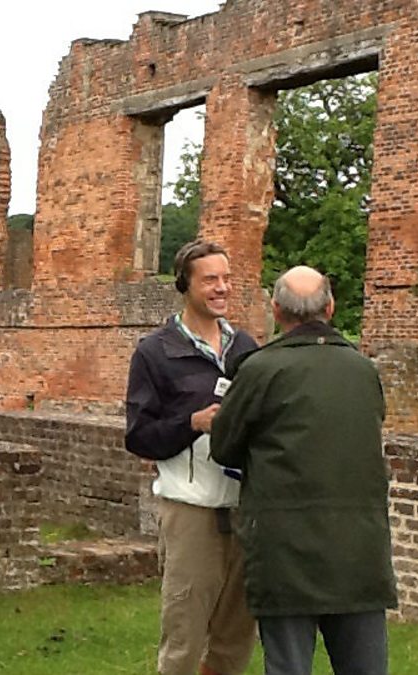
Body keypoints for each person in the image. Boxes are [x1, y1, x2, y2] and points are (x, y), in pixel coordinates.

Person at [210, 266, 398, 675]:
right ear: (330, 307)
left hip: (284, 546)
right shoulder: (363, 371)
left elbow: (223, 447)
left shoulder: (259, 369)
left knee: (289, 666)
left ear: (276, 311)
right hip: (358, 547)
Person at [125, 239, 259, 675]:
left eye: (226, 278)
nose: (222, 288)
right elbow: (140, 436)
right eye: (210, 280)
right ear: (185, 285)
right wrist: (193, 423)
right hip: (191, 513)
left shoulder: (245, 348)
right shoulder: (155, 352)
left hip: (243, 509)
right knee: (184, 639)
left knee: (235, 640)